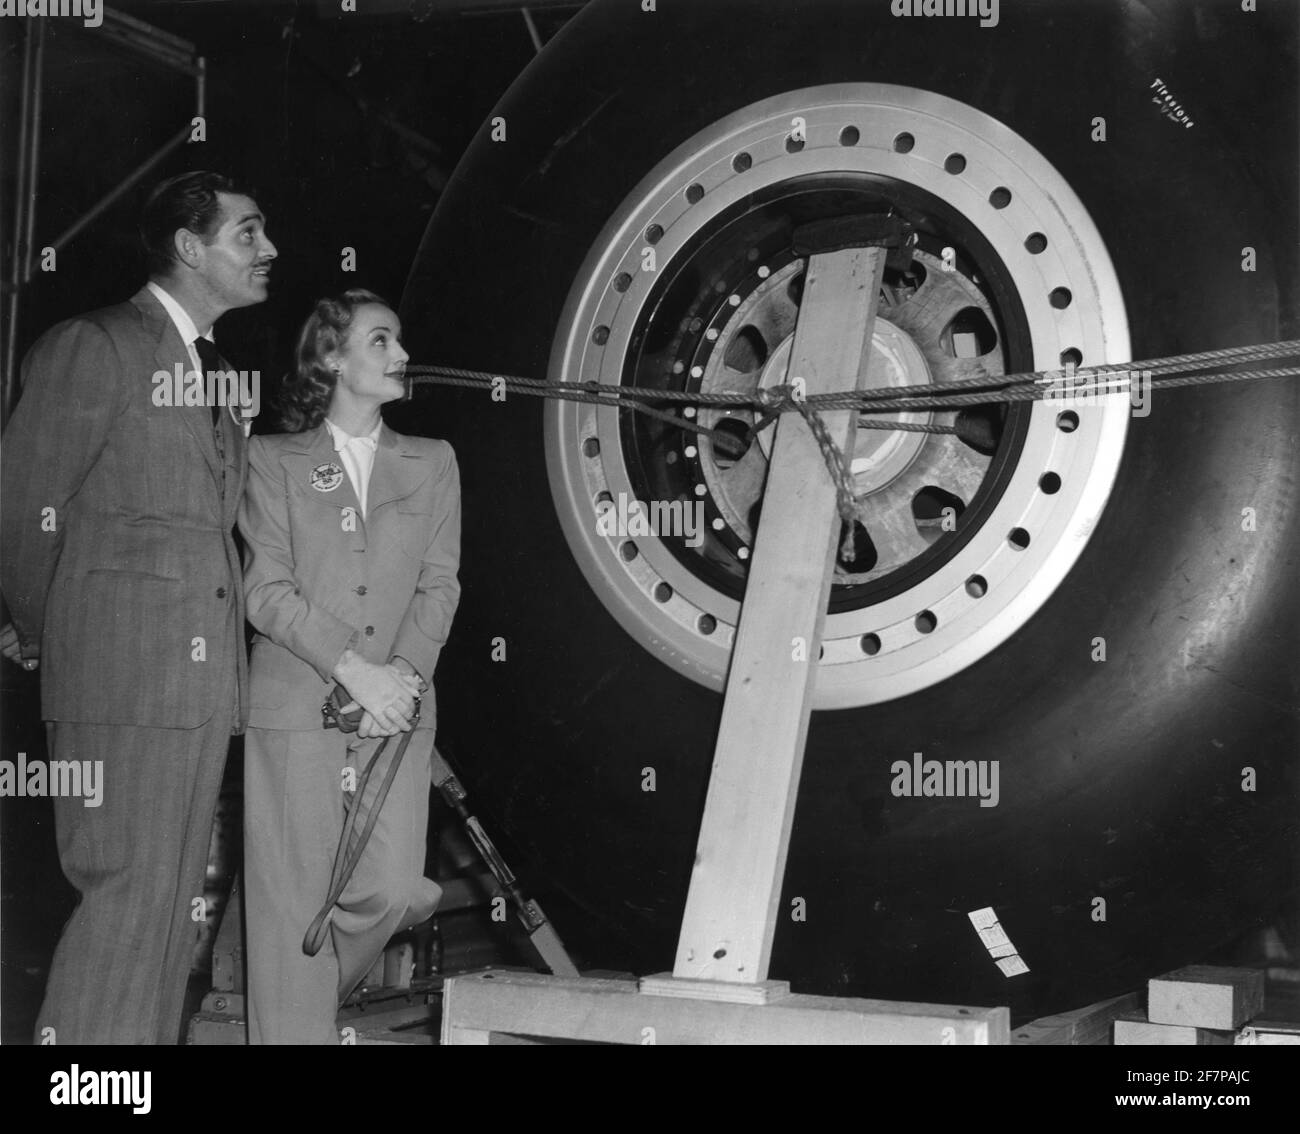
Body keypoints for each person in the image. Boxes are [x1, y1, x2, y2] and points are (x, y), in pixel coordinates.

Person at [0, 170, 277, 1043]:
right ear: (190, 249)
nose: (270, 252)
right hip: (122, 681)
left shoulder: (223, 377)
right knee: (125, 905)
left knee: (165, 920)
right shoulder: (96, 345)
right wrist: (56, 638)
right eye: (249, 234)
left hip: (197, 697)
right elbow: (23, 506)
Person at [237, 288, 460, 1044]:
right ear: (330, 356)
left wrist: (397, 675)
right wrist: (351, 668)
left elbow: (440, 584)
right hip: (295, 703)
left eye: (399, 342)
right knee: (288, 904)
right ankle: (292, 1027)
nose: (401, 356)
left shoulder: (433, 462)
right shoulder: (269, 459)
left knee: (395, 889)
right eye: (380, 341)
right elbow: (265, 590)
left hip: (398, 706)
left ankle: (296, 1004)